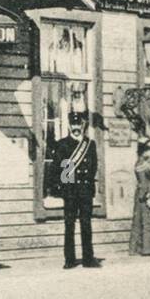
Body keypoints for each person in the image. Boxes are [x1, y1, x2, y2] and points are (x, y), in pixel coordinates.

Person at [45, 111, 100, 269]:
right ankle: (70, 259)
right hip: (70, 191)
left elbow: (93, 166)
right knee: (69, 225)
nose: (76, 128)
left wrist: (85, 182)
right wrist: (66, 187)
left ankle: (88, 259)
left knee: (86, 224)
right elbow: (59, 168)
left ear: (83, 125)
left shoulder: (90, 144)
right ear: (69, 126)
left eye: (79, 124)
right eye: (73, 125)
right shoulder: (63, 144)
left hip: (86, 190)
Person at [129, 137, 150, 256]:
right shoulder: (143, 163)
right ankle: (148, 248)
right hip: (72, 193)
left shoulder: (147, 162)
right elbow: (144, 181)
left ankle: (141, 247)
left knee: (143, 219)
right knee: (146, 220)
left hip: (145, 192)